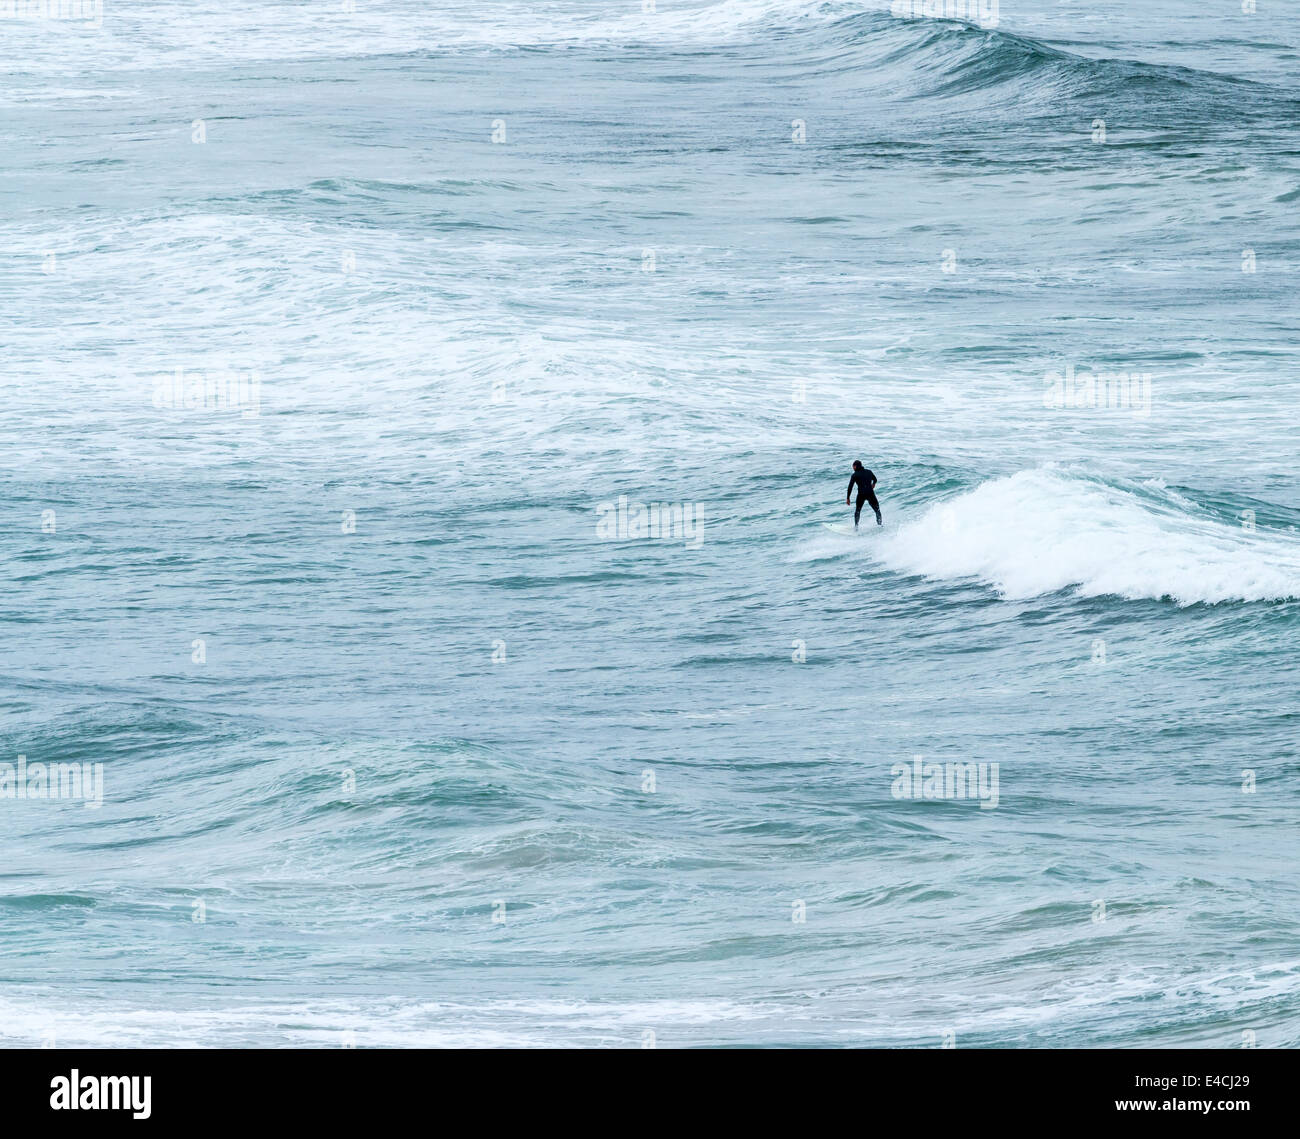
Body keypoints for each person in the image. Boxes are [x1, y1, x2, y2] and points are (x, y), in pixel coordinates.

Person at [846, 460, 881, 527]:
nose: (853, 468)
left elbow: (850, 487)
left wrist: (848, 498)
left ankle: (856, 527)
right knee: (877, 510)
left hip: (861, 495)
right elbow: (875, 479)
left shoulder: (855, 475)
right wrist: (873, 484)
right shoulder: (869, 472)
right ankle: (880, 525)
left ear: (855, 466)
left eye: (853, 466)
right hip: (870, 493)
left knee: (858, 511)